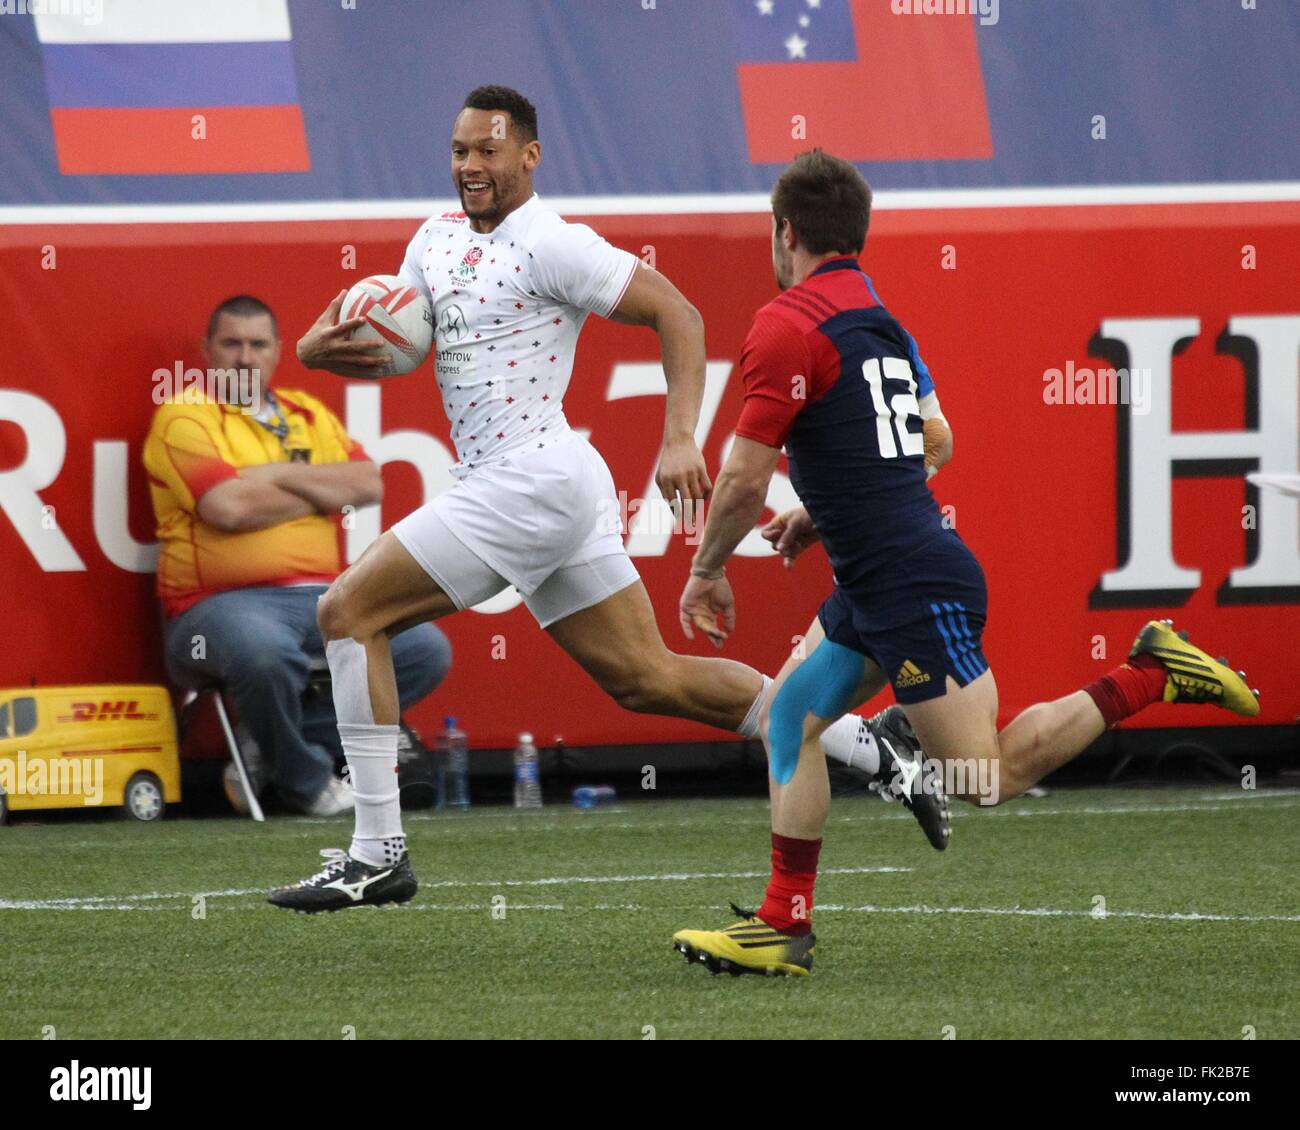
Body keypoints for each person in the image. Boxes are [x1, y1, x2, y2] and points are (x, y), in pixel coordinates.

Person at [268, 87, 944, 913]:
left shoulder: (552, 244)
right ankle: (879, 750)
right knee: (647, 678)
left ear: (529, 156)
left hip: (532, 482)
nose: (470, 167)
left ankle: (377, 851)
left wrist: (678, 437)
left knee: (346, 613)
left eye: (487, 150)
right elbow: (399, 343)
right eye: (459, 152)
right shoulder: (433, 240)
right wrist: (312, 346)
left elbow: (680, 315)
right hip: (537, 486)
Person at [669, 149, 1260, 976]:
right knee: (789, 718)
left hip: (908, 586)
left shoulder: (784, 323)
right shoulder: (879, 320)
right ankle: (783, 927)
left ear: (786, 233)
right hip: (884, 578)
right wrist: (827, 507)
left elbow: (739, 480)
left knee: (986, 775)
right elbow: (935, 440)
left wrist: (706, 568)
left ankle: (1149, 674)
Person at [143, 295, 452, 816]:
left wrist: (273, 475)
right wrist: (315, 489)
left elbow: (367, 483)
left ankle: (272, 742)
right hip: (214, 607)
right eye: (232, 343)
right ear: (207, 350)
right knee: (263, 652)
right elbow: (228, 508)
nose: (245, 357)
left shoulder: (307, 413)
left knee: (423, 649)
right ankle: (305, 780)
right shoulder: (184, 416)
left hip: (320, 597)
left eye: (258, 344)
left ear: (278, 351)